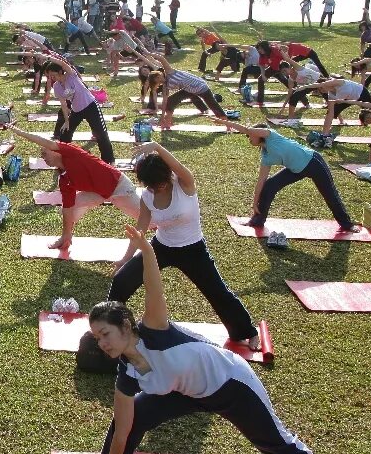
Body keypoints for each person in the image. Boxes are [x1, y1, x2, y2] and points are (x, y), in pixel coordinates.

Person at [71, 224, 365, 454]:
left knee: (273, 440)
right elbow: (122, 430)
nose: (102, 343)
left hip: (230, 384)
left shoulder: (155, 331)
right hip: (184, 392)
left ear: (125, 325)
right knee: (136, 418)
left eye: (105, 334)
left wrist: (148, 251)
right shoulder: (127, 373)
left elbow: (153, 289)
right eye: (97, 338)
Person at [109, 144, 259, 348]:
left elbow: (177, 165)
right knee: (121, 281)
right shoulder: (147, 195)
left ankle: (246, 332)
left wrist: (156, 147)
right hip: (160, 247)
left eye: (160, 184)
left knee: (217, 292)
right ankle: (112, 326)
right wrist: (126, 258)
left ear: (167, 175)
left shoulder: (184, 184)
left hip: (192, 249)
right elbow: (141, 228)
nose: (157, 189)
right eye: (152, 186)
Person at [7, 125, 140, 249]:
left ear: (55, 151)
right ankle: (67, 236)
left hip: (118, 186)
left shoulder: (71, 152)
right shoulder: (64, 179)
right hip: (98, 192)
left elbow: (46, 142)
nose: (43, 158)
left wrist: (20, 133)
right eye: (41, 155)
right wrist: (65, 234)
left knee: (149, 219)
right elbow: (68, 207)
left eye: (45, 153)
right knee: (68, 211)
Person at [214, 118, 356, 232]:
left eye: (250, 135)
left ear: (258, 134)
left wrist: (224, 122)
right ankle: (257, 220)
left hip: (313, 162)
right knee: (269, 185)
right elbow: (261, 181)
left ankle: (347, 225)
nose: (248, 137)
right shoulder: (266, 156)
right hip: (295, 170)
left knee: (329, 193)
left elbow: (246, 129)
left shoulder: (271, 135)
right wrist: (254, 203)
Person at [39, 56, 116, 162]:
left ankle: (109, 161)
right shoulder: (57, 86)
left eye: (53, 75)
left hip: (91, 106)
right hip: (76, 111)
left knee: (101, 134)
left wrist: (48, 57)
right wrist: (66, 121)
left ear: (60, 71)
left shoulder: (71, 75)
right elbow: (63, 105)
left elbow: (63, 64)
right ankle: (65, 157)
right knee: (65, 133)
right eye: (49, 76)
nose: (52, 78)